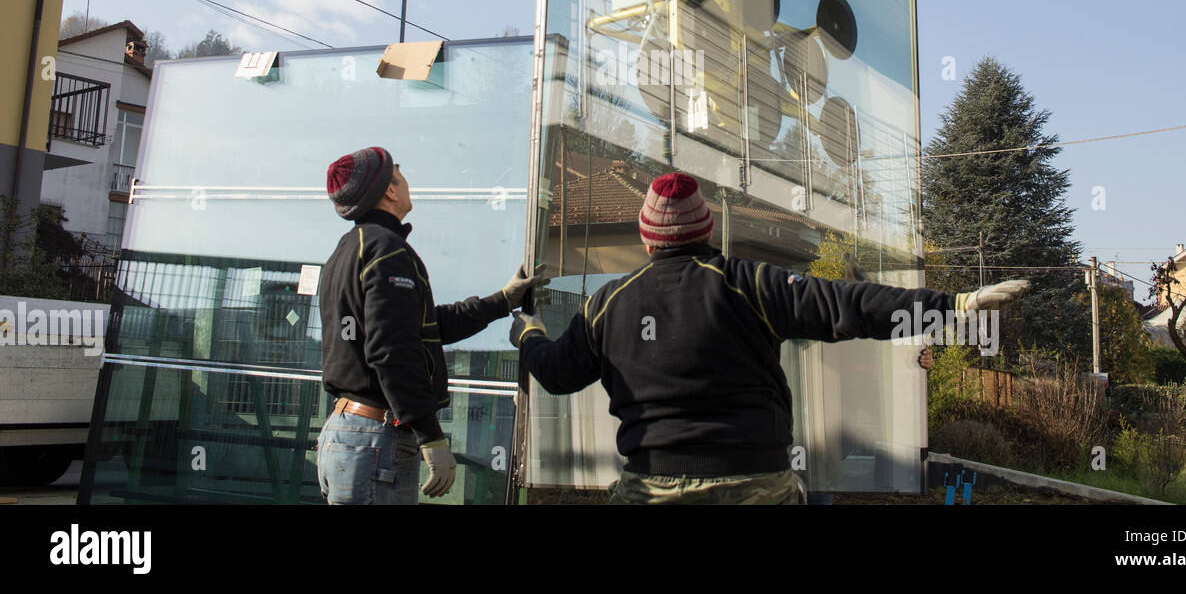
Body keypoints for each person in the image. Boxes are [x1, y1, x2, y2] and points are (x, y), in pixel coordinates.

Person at [510, 171, 1028, 504]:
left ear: (647, 238)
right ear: (706, 231)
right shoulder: (747, 283)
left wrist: (529, 331)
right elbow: (850, 306)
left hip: (651, 487)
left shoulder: (607, 304)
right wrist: (955, 304)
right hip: (752, 485)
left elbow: (556, 374)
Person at [317, 146, 542, 505]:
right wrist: (430, 436)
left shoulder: (347, 251)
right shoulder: (387, 251)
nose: (406, 180)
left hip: (347, 436)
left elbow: (422, 326)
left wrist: (502, 301)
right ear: (389, 190)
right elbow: (391, 350)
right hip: (376, 437)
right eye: (399, 172)